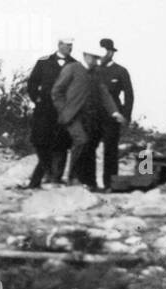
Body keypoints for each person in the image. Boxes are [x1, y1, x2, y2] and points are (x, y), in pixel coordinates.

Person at [52, 45, 124, 190]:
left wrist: (114, 112)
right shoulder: (72, 68)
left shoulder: (96, 72)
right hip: (72, 115)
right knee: (81, 140)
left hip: (90, 116)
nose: (95, 60)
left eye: (97, 58)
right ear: (85, 55)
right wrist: (64, 110)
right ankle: (71, 178)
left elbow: (104, 93)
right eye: (92, 57)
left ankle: (83, 180)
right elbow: (57, 91)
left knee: (87, 146)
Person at [23, 38, 75, 188]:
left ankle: (56, 178)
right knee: (41, 142)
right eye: (67, 45)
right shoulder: (44, 62)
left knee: (62, 143)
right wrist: (37, 99)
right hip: (44, 109)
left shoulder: (74, 64)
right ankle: (46, 174)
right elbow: (32, 82)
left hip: (63, 110)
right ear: (59, 45)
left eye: (71, 45)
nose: (69, 48)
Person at [97, 38, 134, 188]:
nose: (103, 55)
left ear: (111, 52)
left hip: (113, 116)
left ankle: (110, 183)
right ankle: (89, 182)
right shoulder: (94, 70)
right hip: (93, 115)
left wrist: (125, 115)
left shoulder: (120, 71)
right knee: (87, 147)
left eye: (106, 51)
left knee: (110, 150)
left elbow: (129, 94)